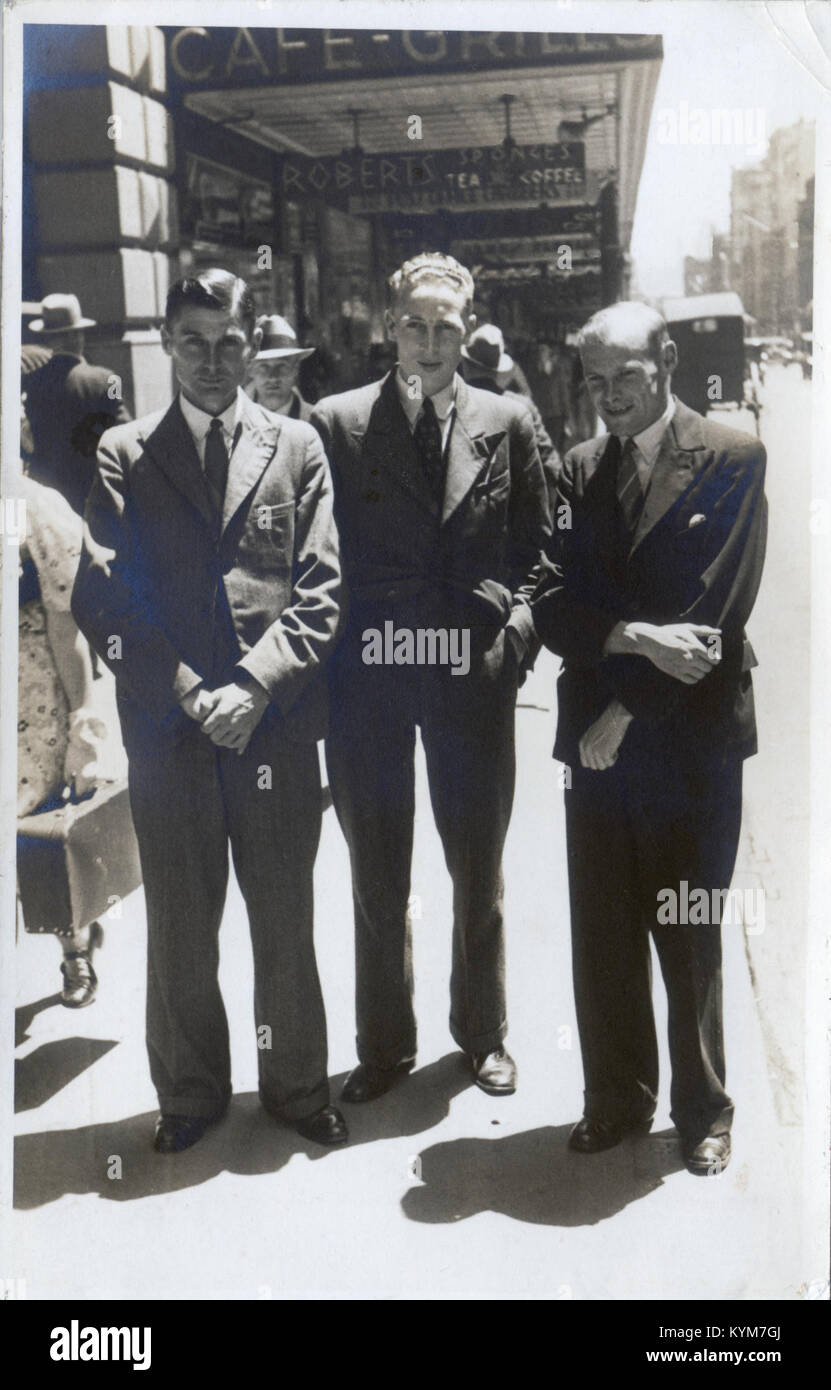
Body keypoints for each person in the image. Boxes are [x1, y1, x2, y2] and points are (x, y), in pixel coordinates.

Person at [72, 269, 346, 1154]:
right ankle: (190, 1093)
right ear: (166, 343)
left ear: (250, 343)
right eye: (193, 340)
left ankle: (298, 1088)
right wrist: (193, 689)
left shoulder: (296, 446)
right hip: (171, 731)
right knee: (183, 923)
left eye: (229, 341)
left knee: (284, 917)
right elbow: (109, 593)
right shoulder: (124, 452)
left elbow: (322, 587)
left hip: (273, 728)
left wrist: (258, 683)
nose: (213, 360)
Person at [528, 301, 767, 1176]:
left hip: (686, 742)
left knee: (690, 924)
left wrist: (624, 709)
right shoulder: (575, 469)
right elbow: (551, 601)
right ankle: (615, 1098)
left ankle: (703, 1110)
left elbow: (713, 614)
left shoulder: (734, 457)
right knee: (604, 928)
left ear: (665, 362)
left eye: (624, 376)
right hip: (594, 744)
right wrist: (630, 639)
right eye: (593, 382)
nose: (608, 398)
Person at [311, 252, 551, 1105]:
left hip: (468, 675)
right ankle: (383, 1046)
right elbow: (316, 560)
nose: (428, 340)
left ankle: (481, 1035)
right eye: (412, 324)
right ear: (388, 328)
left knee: (475, 870)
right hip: (370, 679)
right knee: (378, 873)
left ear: (467, 329)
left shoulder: (508, 419)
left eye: (444, 326)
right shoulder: (335, 423)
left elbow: (541, 550)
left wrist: (514, 636)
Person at [18, 402, 126, 1006]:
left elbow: (67, 629)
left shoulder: (35, 509)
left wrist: (85, 728)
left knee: (49, 835)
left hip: (34, 701)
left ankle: (75, 950)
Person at [24, 294, 132, 516]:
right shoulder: (109, 379)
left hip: (46, 501)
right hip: (92, 498)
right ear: (79, 335)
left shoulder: (30, 382)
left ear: (49, 339)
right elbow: (125, 433)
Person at [460, 322, 561, 504]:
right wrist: (565, 518)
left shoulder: (448, 404)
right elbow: (548, 460)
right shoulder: (521, 405)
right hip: (512, 510)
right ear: (500, 371)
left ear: (465, 366)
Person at [245, 315, 315, 420]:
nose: (273, 377)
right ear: (250, 369)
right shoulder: (232, 423)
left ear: (295, 369)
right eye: (263, 366)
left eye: (281, 366)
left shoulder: (316, 422)